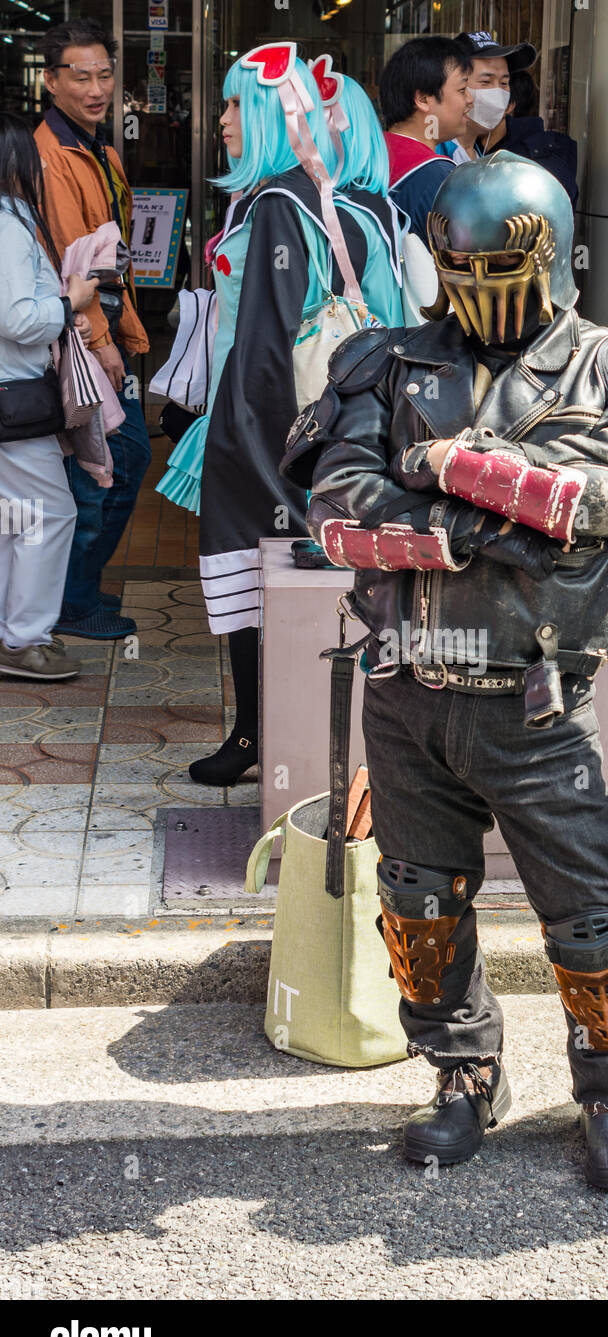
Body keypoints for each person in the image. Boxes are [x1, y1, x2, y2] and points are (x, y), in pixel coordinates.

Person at [284, 151, 608, 1188]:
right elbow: (334, 513)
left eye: (502, 269)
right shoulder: (380, 363)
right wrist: (483, 516)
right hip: (405, 691)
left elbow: (595, 505)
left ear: (562, 256)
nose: (483, 296)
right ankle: (462, 1072)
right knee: (419, 901)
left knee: (586, 911)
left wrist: (426, 471)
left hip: (535, 701)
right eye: (462, 270)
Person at [157, 43, 403, 788]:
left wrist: (255, 463)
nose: (223, 120)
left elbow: (265, 353)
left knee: (257, 582)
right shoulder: (364, 206)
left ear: (273, 115)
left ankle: (262, 736)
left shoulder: (278, 205)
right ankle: (320, 742)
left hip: (271, 433)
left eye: (237, 105)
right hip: (351, 432)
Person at [36, 17, 150, 642]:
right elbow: (71, 261)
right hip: (80, 338)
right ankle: (71, 598)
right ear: (51, 82)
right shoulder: (54, 157)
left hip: (104, 328)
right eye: (79, 76)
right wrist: (104, 343)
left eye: (104, 74)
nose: (95, 86)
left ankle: (73, 587)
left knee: (112, 461)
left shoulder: (97, 149)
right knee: (112, 462)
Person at [0, 113, 97, 680]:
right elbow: (15, 317)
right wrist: (71, 303)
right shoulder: (11, 224)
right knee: (51, 512)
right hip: (16, 399)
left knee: (16, 518)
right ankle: (23, 639)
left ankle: (15, 631)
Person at [438, 34, 578, 208]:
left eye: (504, 83)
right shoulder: (435, 157)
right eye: (486, 81)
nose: (497, 93)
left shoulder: (480, 156)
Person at [380, 37, 473, 245]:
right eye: (462, 90)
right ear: (423, 99)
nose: (470, 100)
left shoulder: (366, 160)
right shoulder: (440, 179)